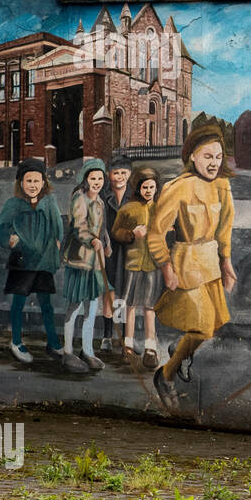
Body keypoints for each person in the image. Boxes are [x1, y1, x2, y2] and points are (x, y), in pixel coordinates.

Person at [147, 124, 236, 410]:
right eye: (207, 156)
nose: (214, 163)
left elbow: (225, 228)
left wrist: (226, 261)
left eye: (218, 157)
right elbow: (155, 232)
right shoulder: (178, 188)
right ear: (193, 157)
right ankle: (165, 375)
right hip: (187, 264)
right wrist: (166, 267)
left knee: (215, 323)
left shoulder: (222, 186)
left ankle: (179, 351)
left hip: (210, 262)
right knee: (201, 330)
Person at [0, 158, 65, 364]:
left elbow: (57, 224)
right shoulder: (13, 204)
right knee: (19, 303)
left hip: (42, 262)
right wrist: (9, 239)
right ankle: (16, 341)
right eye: (28, 181)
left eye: (37, 181)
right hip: (22, 261)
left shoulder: (49, 202)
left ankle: (53, 342)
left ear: (44, 182)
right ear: (21, 183)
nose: (33, 185)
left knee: (46, 304)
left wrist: (57, 242)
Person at [60, 158, 112, 373]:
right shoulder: (79, 199)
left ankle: (88, 351)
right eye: (93, 178)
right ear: (86, 179)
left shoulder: (100, 202)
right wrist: (92, 241)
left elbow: (102, 228)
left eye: (100, 178)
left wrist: (106, 243)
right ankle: (67, 351)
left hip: (95, 265)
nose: (97, 182)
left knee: (92, 307)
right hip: (80, 260)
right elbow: (79, 227)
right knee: (75, 306)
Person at [110, 166, 164, 371]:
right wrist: (131, 234)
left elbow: (169, 228)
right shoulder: (128, 209)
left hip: (153, 264)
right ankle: (128, 346)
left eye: (152, 187)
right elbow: (116, 231)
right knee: (130, 306)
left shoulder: (161, 208)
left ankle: (150, 348)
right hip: (132, 263)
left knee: (150, 307)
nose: (148, 190)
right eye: (144, 187)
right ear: (138, 188)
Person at [99, 155, 133, 354]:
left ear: (129, 174)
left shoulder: (133, 196)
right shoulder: (104, 195)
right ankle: (106, 335)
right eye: (115, 173)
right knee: (109, 292)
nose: (119, 177)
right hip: (109, 247)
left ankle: (120, 334)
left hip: (128, 248)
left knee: (122, 292)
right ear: (108, 174)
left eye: (123, 173)